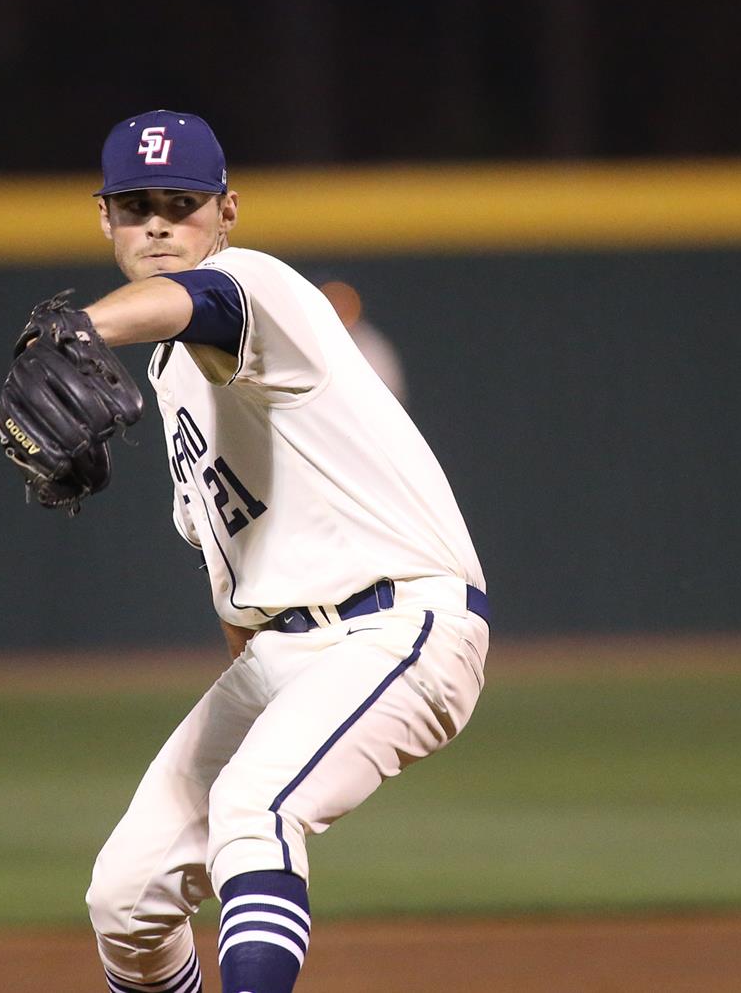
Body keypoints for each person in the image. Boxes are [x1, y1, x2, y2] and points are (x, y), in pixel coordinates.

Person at [75, 110, 490, 993]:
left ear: (226, 212)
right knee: (126, 894)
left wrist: (81, 331)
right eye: (134, 204)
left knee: (253, 808)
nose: (157, 223)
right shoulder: (169, 379)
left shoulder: (251, 283)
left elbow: (198, 302)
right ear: (102, 219)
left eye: (180, 203)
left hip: (399, 621)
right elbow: (230, 578)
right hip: (282, 650)